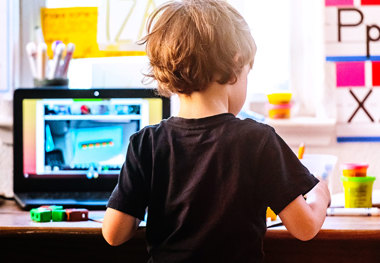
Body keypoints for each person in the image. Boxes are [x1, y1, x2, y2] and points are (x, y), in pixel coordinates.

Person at [102, 0, 331, 262]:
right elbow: (304, 228)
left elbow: (113, 233)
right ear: (236, 63)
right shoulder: (257, 140)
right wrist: (320, 193)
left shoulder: (147, 144)